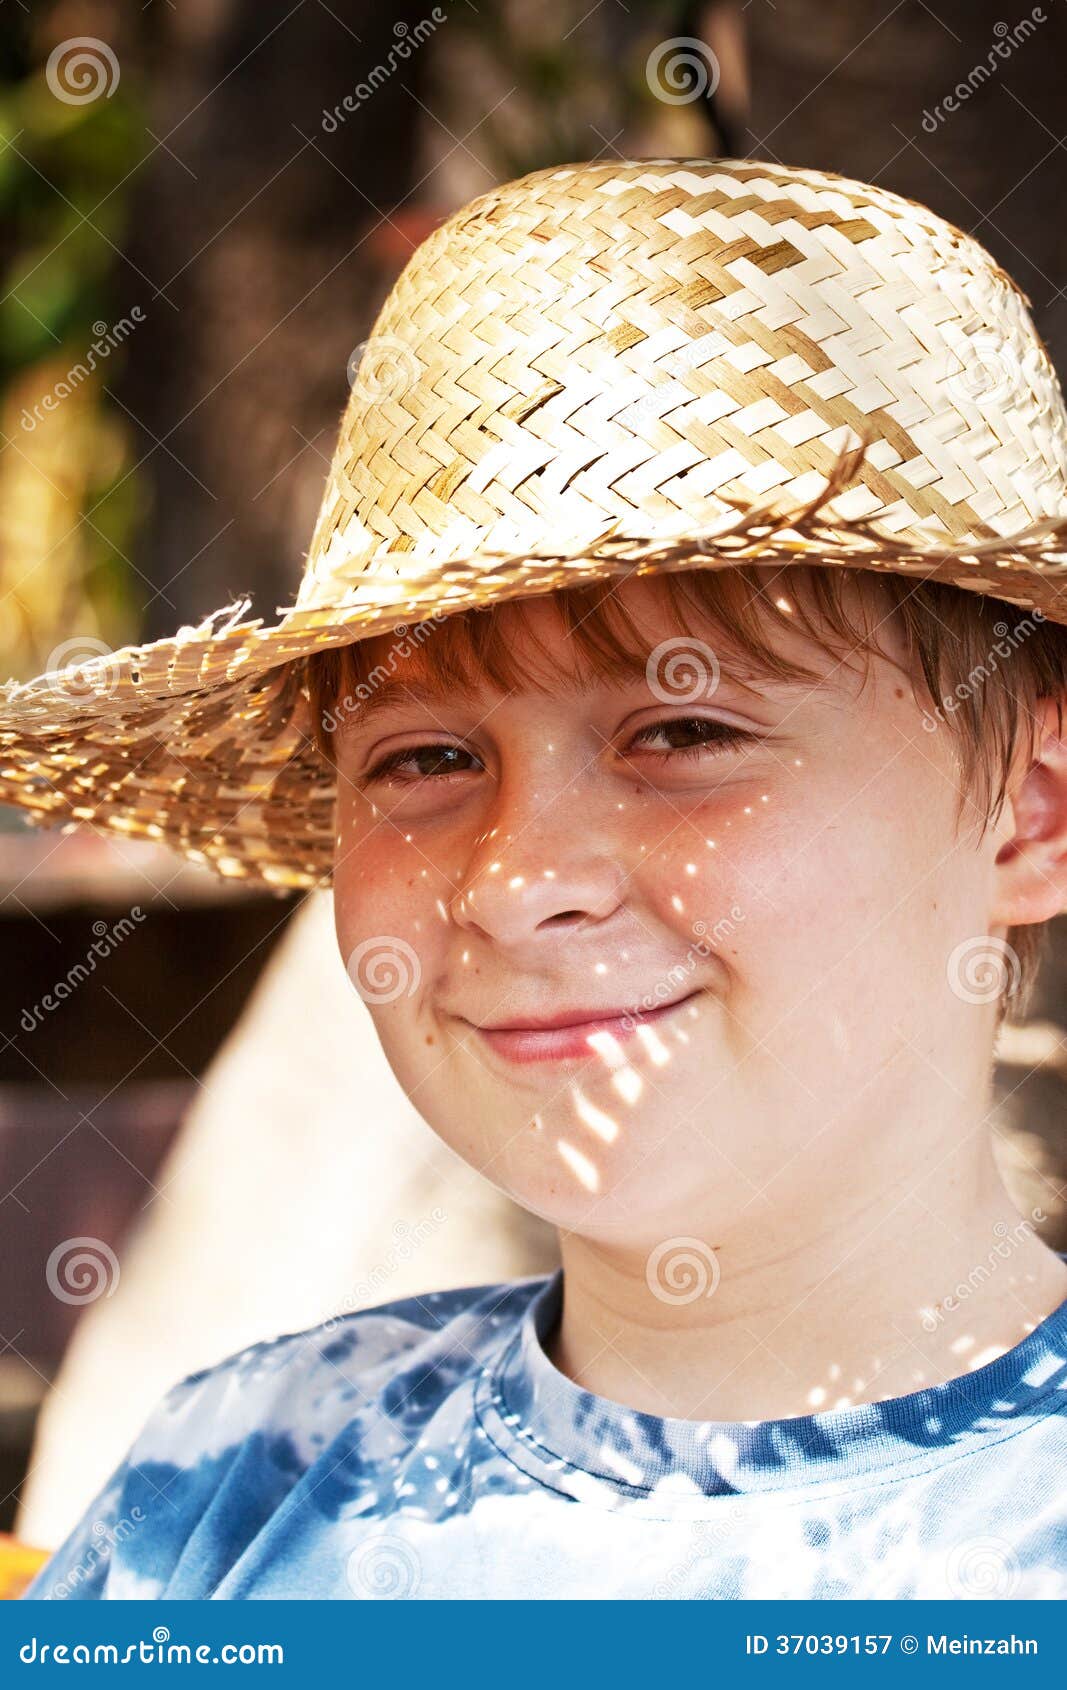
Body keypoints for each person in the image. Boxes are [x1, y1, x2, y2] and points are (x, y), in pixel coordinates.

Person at [8, 158, 1067, 1600]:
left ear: (1030, 814)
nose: (515, 880)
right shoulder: (234, 1483)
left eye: (684, 731)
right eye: (425, 759)